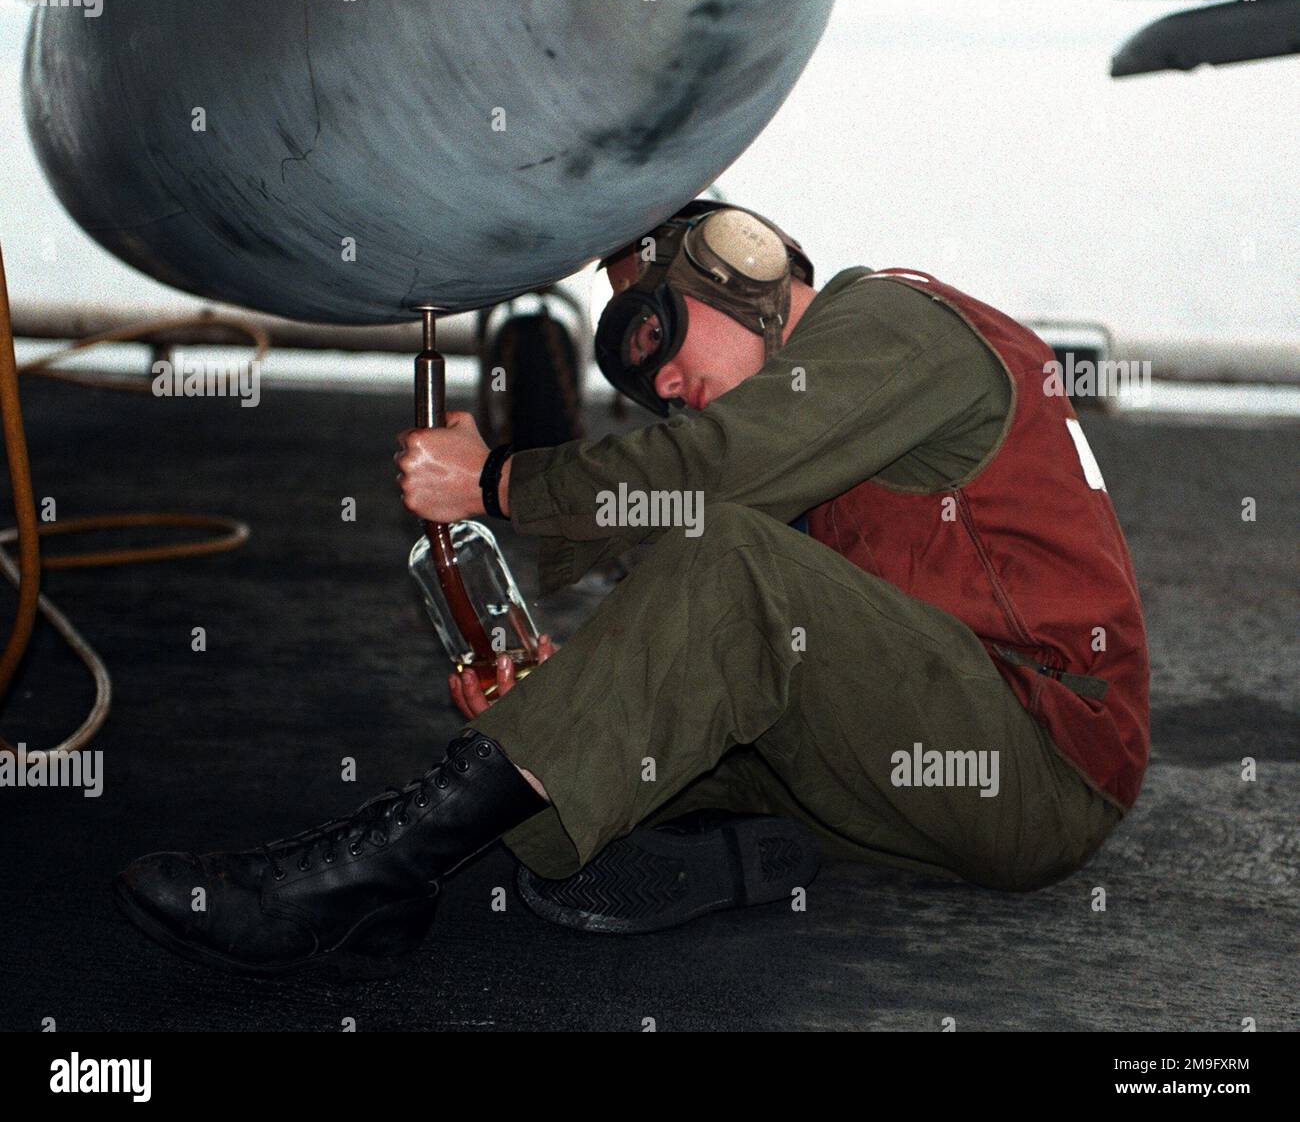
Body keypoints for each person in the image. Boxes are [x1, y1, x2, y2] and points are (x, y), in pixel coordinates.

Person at [114, 200, 1150, 978]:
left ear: (737, 259)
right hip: (926, 753)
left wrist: (497, 478)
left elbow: (709, 488)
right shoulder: (829, 418)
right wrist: (581, 685)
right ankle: (748, 857)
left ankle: (363, 877)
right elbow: (702, 567)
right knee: (564, 790)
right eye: (630, 367)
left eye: (653, 331)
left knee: (728, 562)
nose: (654, 383)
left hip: (1035, 760)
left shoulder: (888, 322)